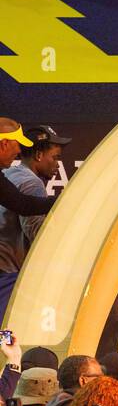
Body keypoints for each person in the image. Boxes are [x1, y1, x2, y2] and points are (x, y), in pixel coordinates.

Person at [0, 121, 56, 287]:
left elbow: (22, 204)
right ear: (4, 144)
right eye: (17, 145)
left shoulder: (6, 174)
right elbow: (25, 207)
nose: (19, 152)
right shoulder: (31, 182)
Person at [2, 124, 67, 252]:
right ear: (38, 155)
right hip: (10, 270)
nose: (58, 165)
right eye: (55, 158)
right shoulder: (32, 183)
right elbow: (40, 238)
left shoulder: (9, 174)